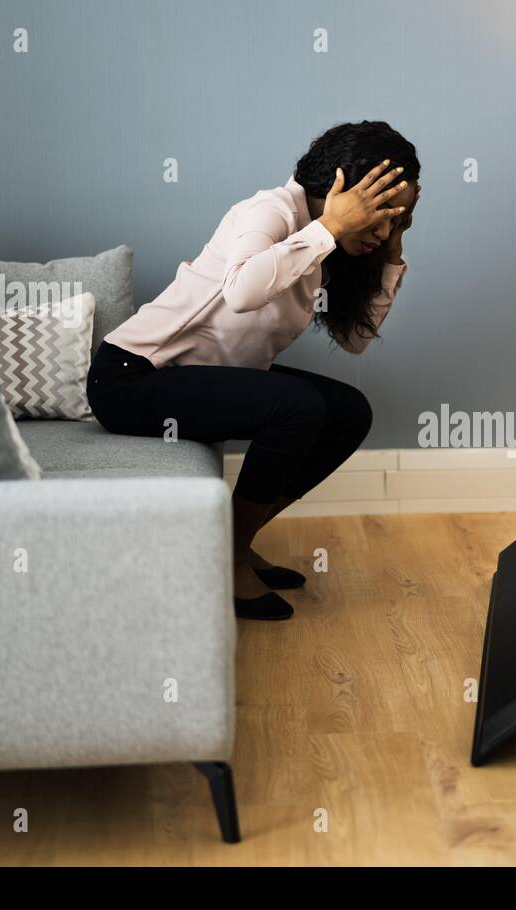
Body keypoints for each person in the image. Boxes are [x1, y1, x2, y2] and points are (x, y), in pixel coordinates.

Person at [87, 121, 421, 621]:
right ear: (341, 191)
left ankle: (234, 543)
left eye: (398, 220)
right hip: (132, 377)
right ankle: (229, 555)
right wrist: (330, 227)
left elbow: (356, 341)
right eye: (380, 215)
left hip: (198, 378)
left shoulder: (338, 247)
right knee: (297, 407)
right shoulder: (270, 211)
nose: (384, 230)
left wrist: (391, 256)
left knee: (349, 411)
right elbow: (241, 291)